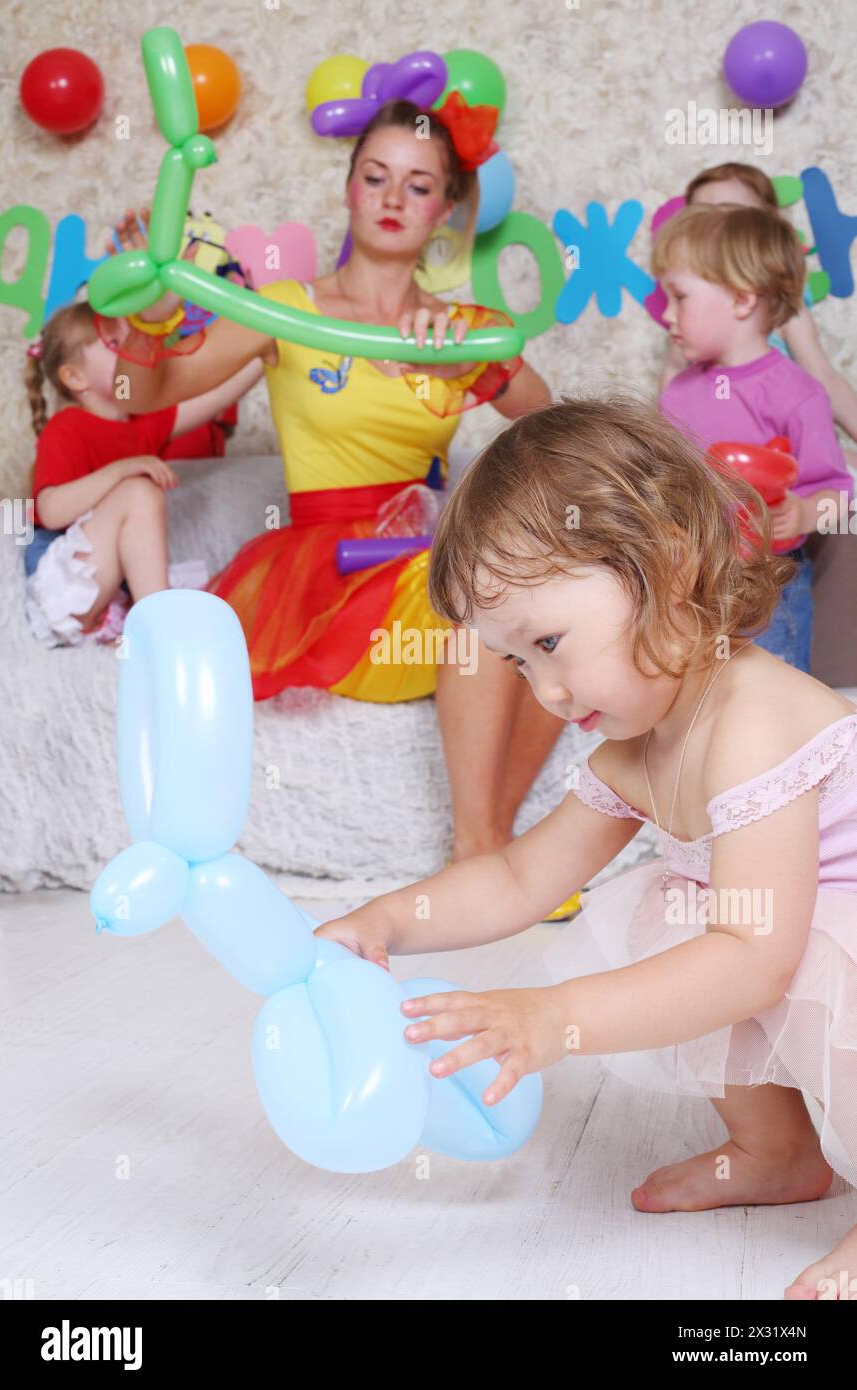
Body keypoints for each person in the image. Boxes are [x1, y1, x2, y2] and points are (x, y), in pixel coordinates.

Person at [314, 396, 857, 1301]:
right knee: (672, 918)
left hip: (820, 942)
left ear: (670, 564)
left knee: (760, 952)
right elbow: (523, 876)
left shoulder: (752, 720)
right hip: (785, 941)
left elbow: (757, 961)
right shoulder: (634, 753)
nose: (547, 692)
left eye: (550, 643)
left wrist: (551, 1016)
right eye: (518, 662)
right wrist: (387, 921)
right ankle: (778, 1152)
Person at [109, 98, 580, 919]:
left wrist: (463, 353)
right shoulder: (285, 307)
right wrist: (149, 315)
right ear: (349, 188)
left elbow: (550, 422)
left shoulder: (458, 327)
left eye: (419, 184)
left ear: (443, 211)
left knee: (559, 601)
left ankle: (489, 844)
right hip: (328, 573)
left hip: (427, 553)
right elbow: (146, 394)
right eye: (376, 176)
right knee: (478, 601)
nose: (395, 198)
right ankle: (478, 855)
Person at [659, 162, 857, 688]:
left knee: (773, 695)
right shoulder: (677, 392)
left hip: (771, 589)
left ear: (743, 298)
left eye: (679, 298)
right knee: (697, 699)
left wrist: (801, 511)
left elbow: (836, 491)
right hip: (690, 586)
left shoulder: (797, 394)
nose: (666, 315)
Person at [22, 300, 262, 647]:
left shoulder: (142, 422)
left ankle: (148, 618)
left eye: (135, 341)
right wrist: (121, 471)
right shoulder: (66, 427)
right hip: (66, 587)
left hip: (109, 594)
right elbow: (50, 510)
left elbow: (216, 395)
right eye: (118, 346)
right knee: (139, 492)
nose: (134, 354)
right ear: (75, 377)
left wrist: (267, 350)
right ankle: (161, 632)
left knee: (208, 596)